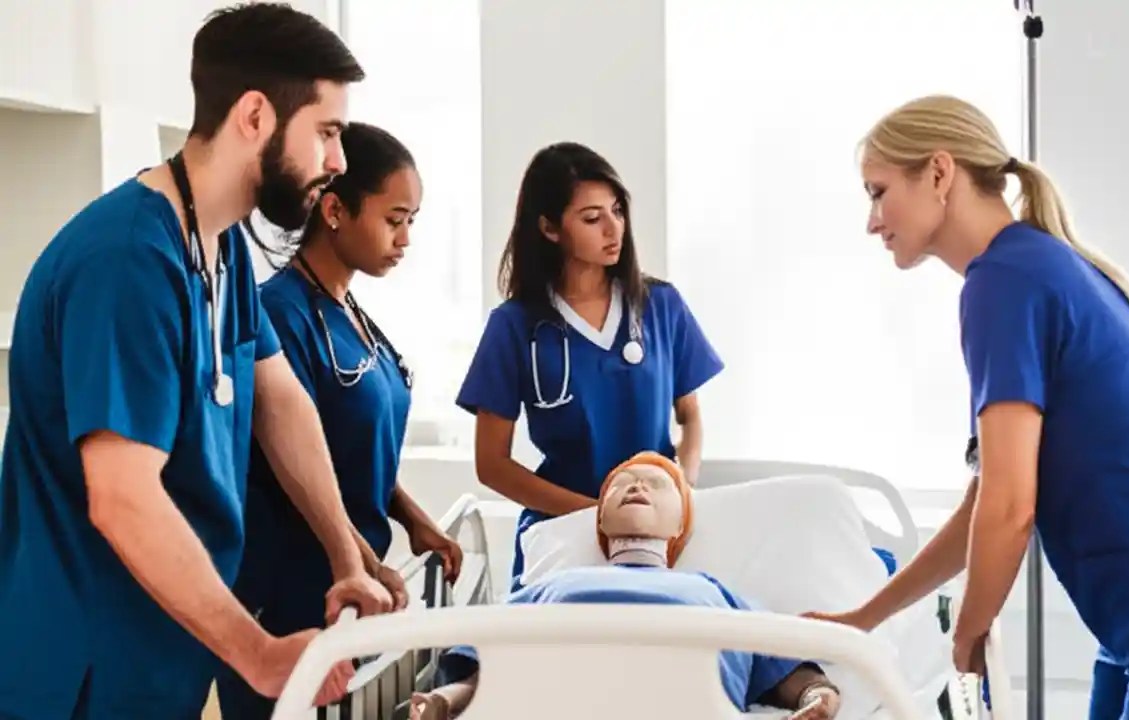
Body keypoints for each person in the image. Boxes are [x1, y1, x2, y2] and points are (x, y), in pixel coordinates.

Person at [803, 94, 1129, 719]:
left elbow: (1010, 508)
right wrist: (865, 618)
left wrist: (970, 632)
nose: (872, 220)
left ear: (940, 174)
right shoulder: (1030, 267)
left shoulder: (1004, 284)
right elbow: (987, 501)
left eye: (878, 191)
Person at [0, 5, 398, 718]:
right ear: (254, 116)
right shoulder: (127, 262)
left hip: (165, 663)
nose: (337, 162)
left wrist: (344, 552)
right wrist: (259, 652)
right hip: (86, 670)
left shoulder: (219, 245)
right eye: (327, 133)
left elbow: (280, 403)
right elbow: (122, 497)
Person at [217, 121, 466, 718]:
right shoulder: (280, 313)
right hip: (296, 584)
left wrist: (412, 519)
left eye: (413, 221)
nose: (405, 238)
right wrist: (364, 564)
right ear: (334, 210)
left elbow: (351, 445)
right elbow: (291, 466)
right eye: (394, 218)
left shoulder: (349, 310)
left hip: (349, 580)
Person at [456, 142, 724, 589]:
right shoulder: (514, 326)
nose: (613, 229)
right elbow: (492, 464)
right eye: (592, 218)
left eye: (617, 211)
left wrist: (680, 488)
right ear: (549, 228)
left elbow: (690, 417)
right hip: (563, 530)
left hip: (658, 527)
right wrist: (593, 513)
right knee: (542, 643)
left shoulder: (660, 306)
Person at [408, 452, 842, 720]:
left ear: (679, 526)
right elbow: (490, 668)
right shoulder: (550, 586)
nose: (636, 485)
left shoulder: (713, 593)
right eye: (621, 485)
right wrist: (444, 700)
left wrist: (817, 697)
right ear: (600, 519)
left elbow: (785, 667)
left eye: (657, 485)